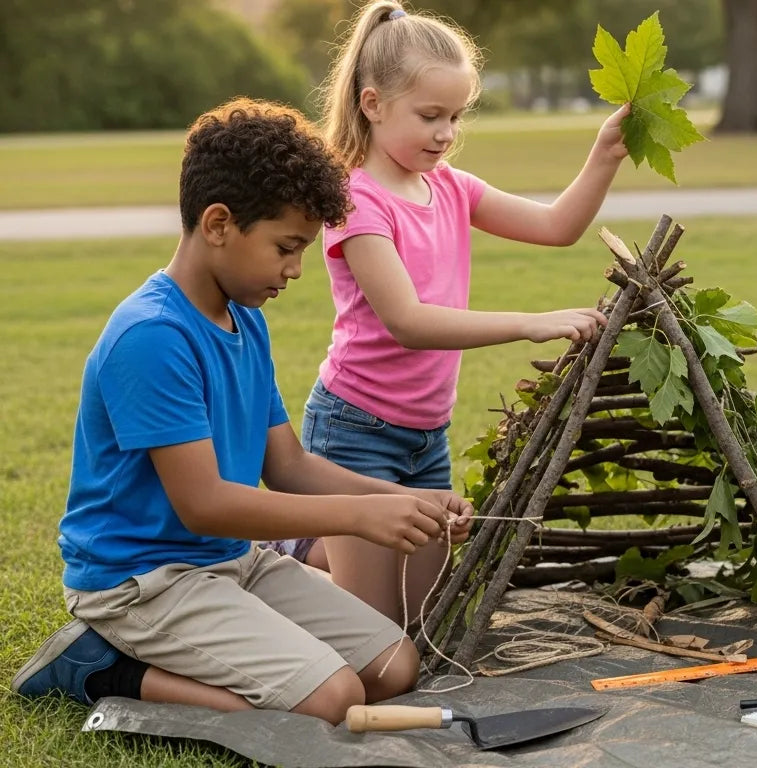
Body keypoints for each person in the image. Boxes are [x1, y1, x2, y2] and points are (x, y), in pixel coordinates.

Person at [10, 98, 471, 724]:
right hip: (144, 581)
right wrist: (359, 515)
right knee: (334, 700)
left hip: (231, 561)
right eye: (286, 247)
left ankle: (223, 648)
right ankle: (100, 667)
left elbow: (286, 464)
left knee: (394, 666)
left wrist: (401, 500)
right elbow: (204, 504)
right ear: (219, 223)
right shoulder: (151, 337)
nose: (297, 269)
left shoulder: (245, 319)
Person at [259, 1, 629, 622]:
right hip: (355, 433)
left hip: (426, 438)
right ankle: (289, 558)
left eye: (455, 116)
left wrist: (604, 156)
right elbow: (409, 321)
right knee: (378, 635)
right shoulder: (357, 200)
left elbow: (558, 226)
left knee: (421, 623)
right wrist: (529, 323)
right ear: (372, 104)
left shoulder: (451, 186)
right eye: (430, 116)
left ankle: (317, 551)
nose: (446, 133)